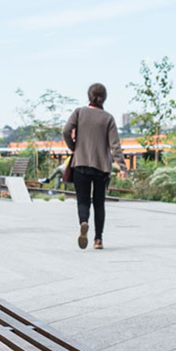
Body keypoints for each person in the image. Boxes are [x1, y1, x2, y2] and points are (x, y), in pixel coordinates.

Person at [63, 83, 121, 251]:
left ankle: (84, 222)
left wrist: (74, 147)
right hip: (101, 167)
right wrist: (123, 166)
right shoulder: (108, 118)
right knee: (99, 203)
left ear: (89, 96)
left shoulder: (79, 112)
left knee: (83, 200)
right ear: (105, 98)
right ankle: (98, 240)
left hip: (80, 164)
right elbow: (115, 144)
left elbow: (66, 131)